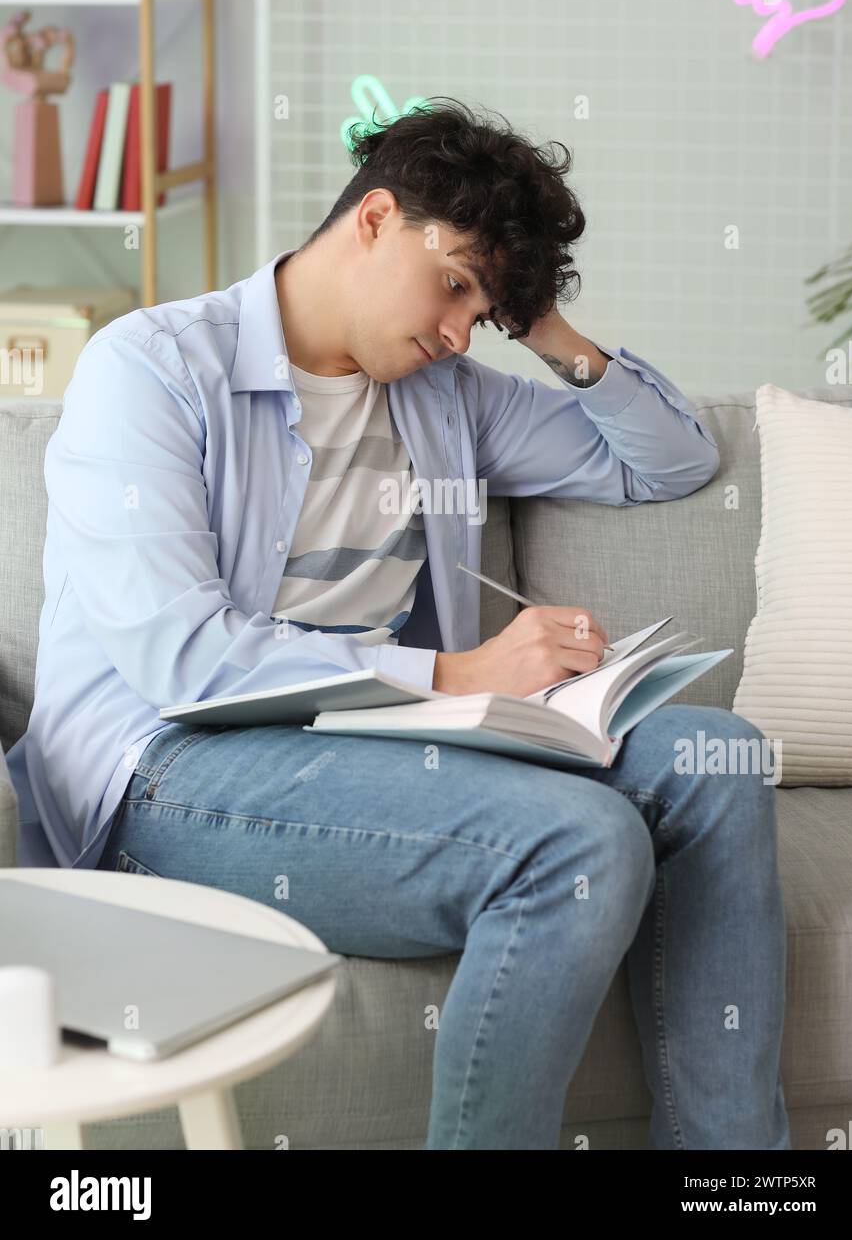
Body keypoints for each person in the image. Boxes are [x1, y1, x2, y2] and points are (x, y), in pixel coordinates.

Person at [5, 97, 790, 1150]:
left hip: (387, 743)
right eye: (455, 283)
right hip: (177, 762)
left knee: (717, 756)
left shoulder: (445, 393)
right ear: (374, 219)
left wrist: (537, 316)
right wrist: (462, 673)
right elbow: (177, 660)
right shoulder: (148, 369)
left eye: (484, 311)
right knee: (578, 841)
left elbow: (672, 460)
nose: (459, 329)